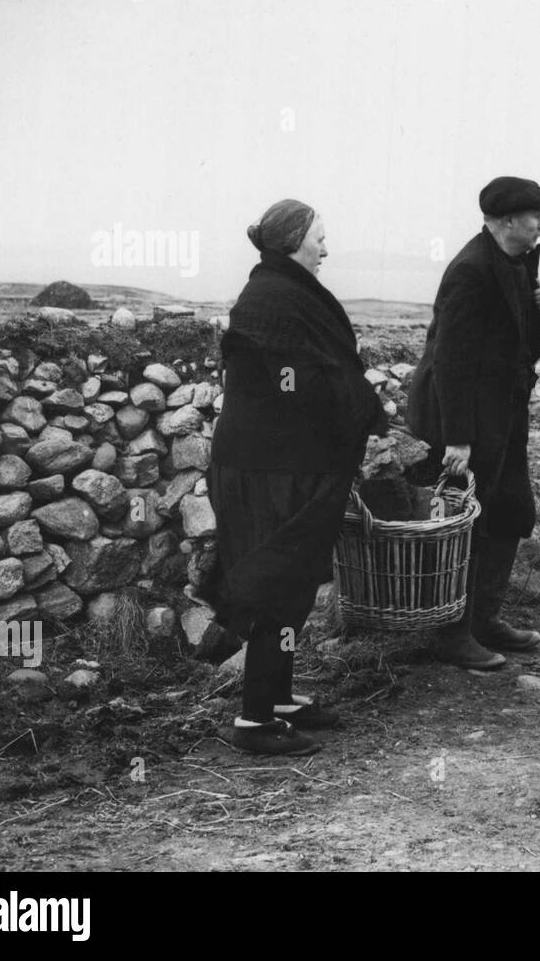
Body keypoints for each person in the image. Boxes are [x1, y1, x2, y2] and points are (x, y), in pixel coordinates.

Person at [208, 199, 388, 755]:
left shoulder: (282, 294)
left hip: (287, 463)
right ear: (292, 241)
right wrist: (360, 407)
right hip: (268, 468)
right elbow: (299, 382)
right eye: (319, 239)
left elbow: (311, 375)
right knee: (277, 581)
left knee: (298, 580)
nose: (326, 249)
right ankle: (254, 722)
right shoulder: (272, 301)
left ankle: (279, 697)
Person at [407, 176, 540, 669]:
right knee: (463, 523)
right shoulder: (471, 270)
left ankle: (484, 619)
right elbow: (449, 360)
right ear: (508, 220)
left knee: (512, 510)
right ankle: (451, 634)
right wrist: (458, 439)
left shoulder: (515, 263)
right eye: (536, 215)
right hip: (467, 420)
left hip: (504, 412)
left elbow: (520, 342)